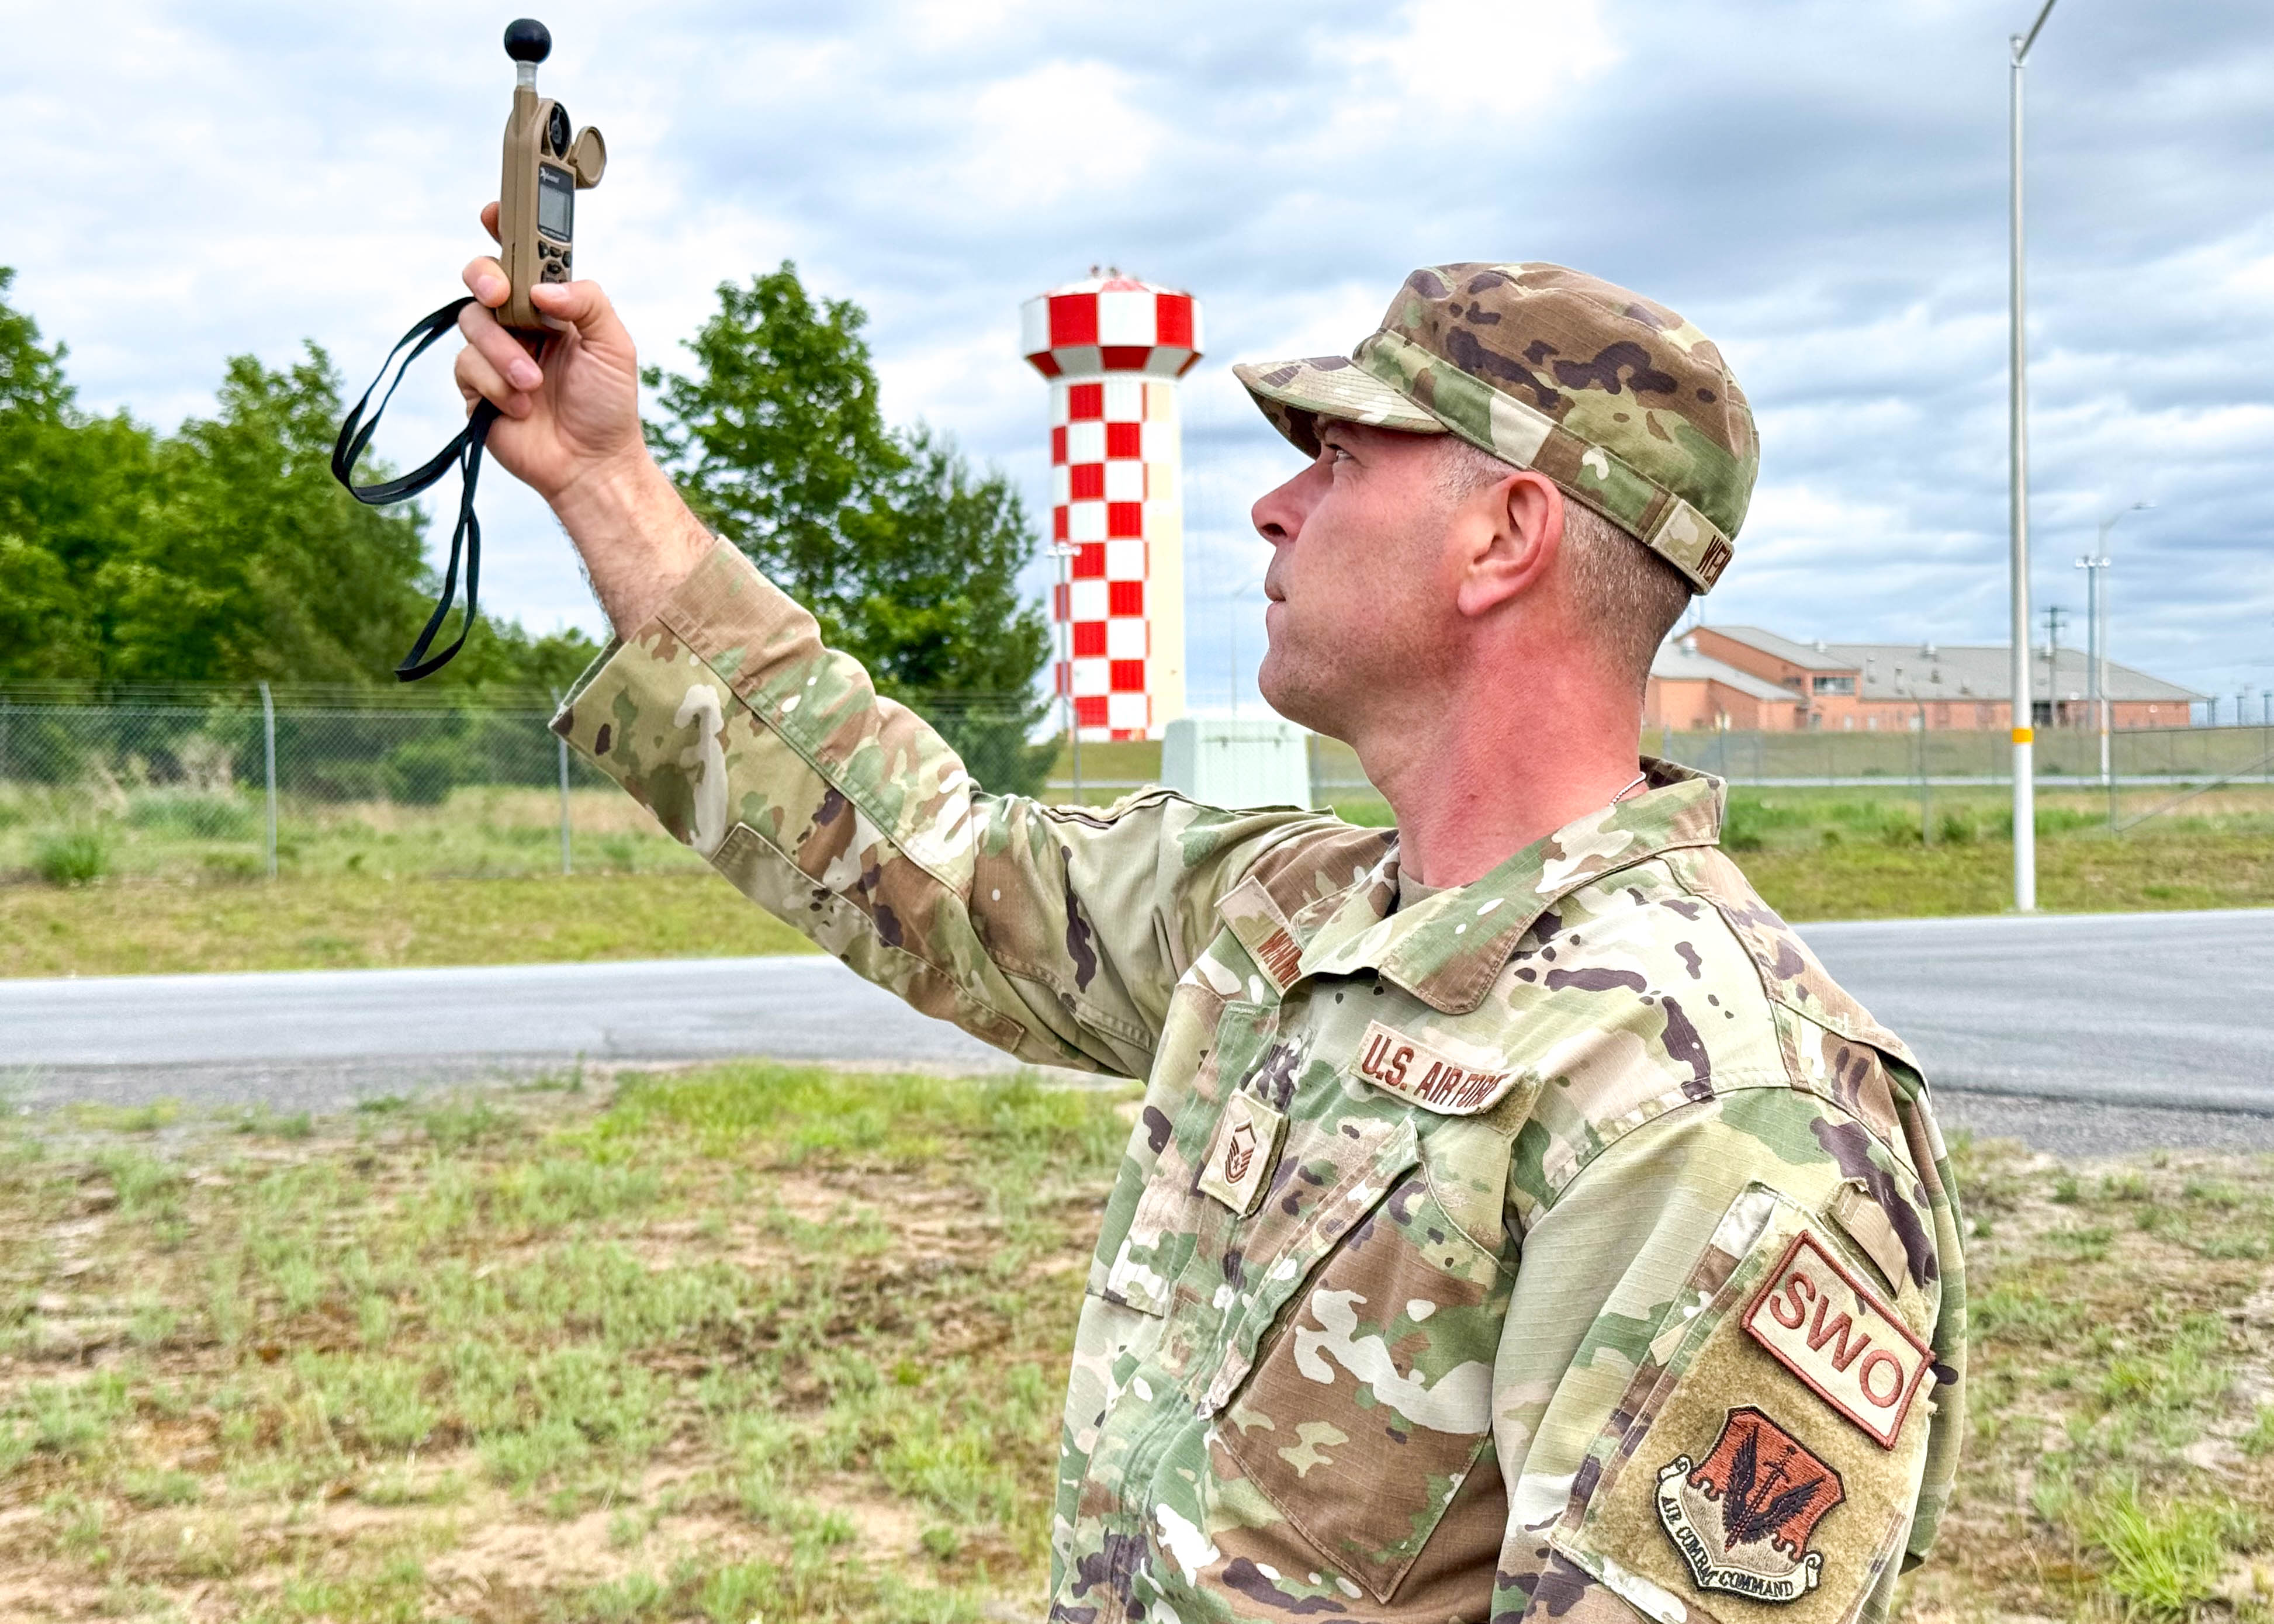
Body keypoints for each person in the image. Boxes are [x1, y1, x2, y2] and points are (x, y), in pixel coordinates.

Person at [454, 239, 1965, 1624]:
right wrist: (604, 479)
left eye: (1342, 456)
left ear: (1502, 533)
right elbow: (928, 863)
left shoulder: (1712, 1096)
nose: (1272, 501)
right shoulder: (1287, 913)